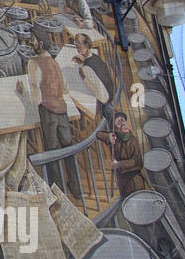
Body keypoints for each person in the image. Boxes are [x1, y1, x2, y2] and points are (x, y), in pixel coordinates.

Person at [17, 35, 80, 197]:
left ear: (42, 42)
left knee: (51, 151)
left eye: (33, 39)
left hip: (48, 113)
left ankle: (57, 191)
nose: (30, 42)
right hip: (62, 110)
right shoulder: (54, 62)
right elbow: (65, 89)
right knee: (69, 149)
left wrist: (22, 92)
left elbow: (36, 100)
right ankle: (76, 188)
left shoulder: (33, 63)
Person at [71, 32, 116, 124]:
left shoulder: (86, 68)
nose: (77, 46)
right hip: (110, 95)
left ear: (86, 45)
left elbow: (97, 89)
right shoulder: (95, 57)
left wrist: (82, 74)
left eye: (79, 44)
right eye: (76, 43)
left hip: (104, 101)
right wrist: (83, 63)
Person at [99, 113, 148, 196]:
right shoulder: (115, 140)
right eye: (119, 123)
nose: (124, 124)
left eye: (124, 121)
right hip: (122, 182)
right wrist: (108, 136)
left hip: (135, 180)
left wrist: (119, 164)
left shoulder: (132, 141)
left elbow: (138, 161)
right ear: (116, 130)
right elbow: (98, 134)